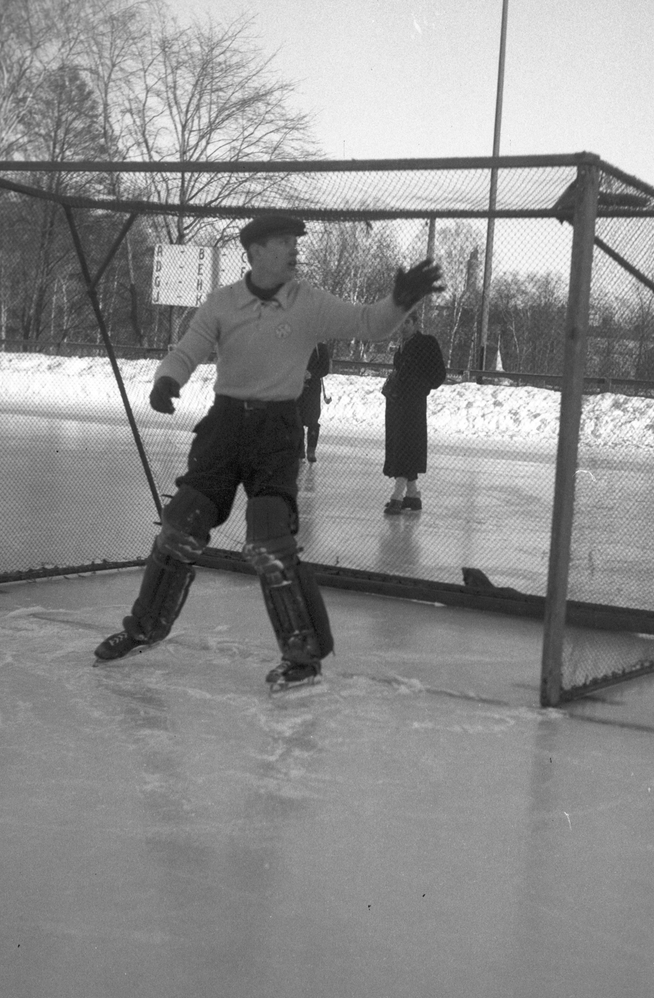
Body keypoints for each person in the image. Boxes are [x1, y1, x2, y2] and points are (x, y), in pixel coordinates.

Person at [93, 213, 443, 688]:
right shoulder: (223, 302)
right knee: (181, 525)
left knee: (270, 541)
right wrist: (166, 380)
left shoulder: (309, 303)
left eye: (295, 241)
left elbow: (369, 323)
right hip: (224, 427)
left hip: (276, 432)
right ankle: (144, 629)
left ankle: (303, 656)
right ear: (255, 251)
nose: (294, 248)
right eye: (283, 241)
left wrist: (400, 300)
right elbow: (188, 348)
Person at [381, 309, 446, 514]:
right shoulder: (403, 346)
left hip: (413, 405)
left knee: (406, 447)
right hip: (399, 403)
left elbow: (438, 374)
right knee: (403, 445)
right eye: (400, 322)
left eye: (407, 322)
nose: (403, 326)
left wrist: (421, 387)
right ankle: (412, 494)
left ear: (416, 323)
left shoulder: (426, 343)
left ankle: (397, 495)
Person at [297, 341, 331, 462]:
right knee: (297, 421)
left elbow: (325, 368)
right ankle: (299, 451)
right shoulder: (296, 343)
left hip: (313, 390)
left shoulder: (320, 346)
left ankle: (311, 451)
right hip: (296, 389)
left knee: (313, 421)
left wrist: (311, 374)